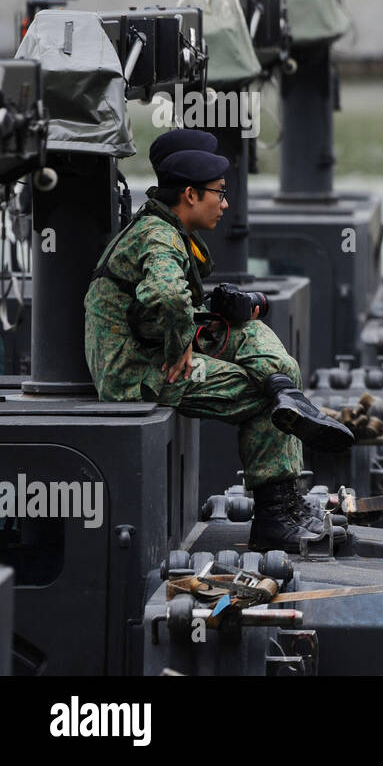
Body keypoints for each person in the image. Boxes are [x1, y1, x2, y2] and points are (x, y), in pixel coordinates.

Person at [84, 128, 354, 551]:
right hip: (133, 369)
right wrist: (180, 348)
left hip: (150, 344)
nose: (226, 203)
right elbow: (166, 294)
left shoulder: (167, 228)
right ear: (190, 195)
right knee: (262, 401)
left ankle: (286, 400)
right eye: (219, 193)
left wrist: (208, 320)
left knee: (260, 348)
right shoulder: (159, 236)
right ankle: (274, 517)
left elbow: (167, 301)